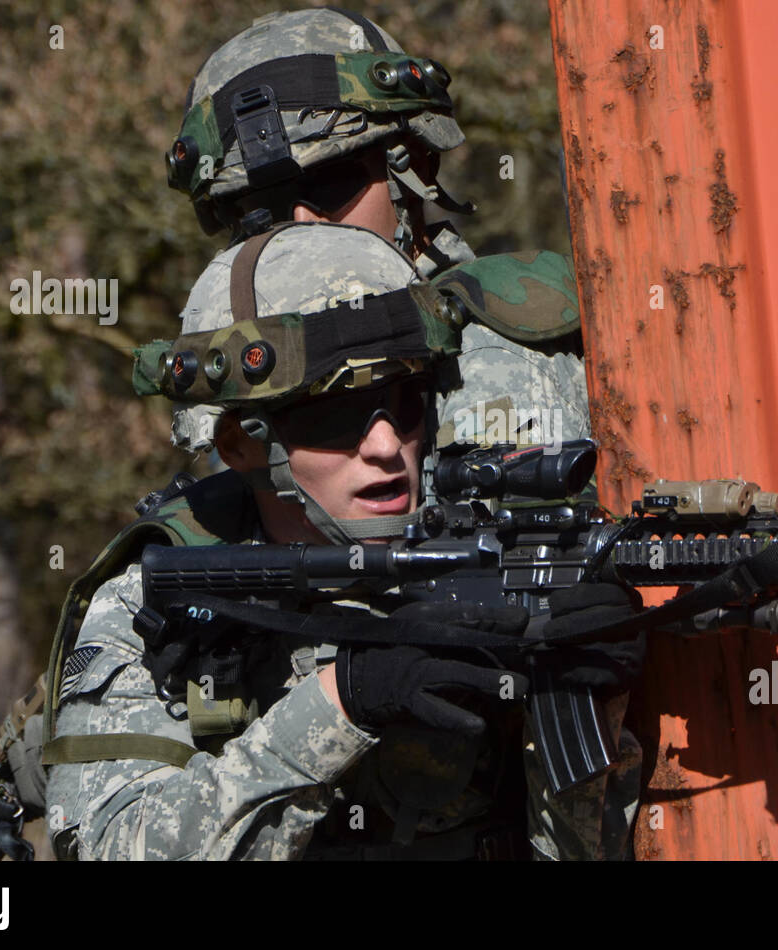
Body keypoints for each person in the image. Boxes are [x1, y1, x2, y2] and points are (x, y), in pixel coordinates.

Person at [43, 225, 642, 859]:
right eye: (335, 417)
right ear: (240, 444)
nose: (386, 447)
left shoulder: (493, 544)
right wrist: (342, 704)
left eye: (404, 401)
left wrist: (586, 704)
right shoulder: (163, 601)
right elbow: (109, 845)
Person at [164, 6, 591, 460]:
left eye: (329, 185)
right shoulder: (240, 366)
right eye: (260, 209)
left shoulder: (490, 360)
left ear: (414, 167)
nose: (302, 224)